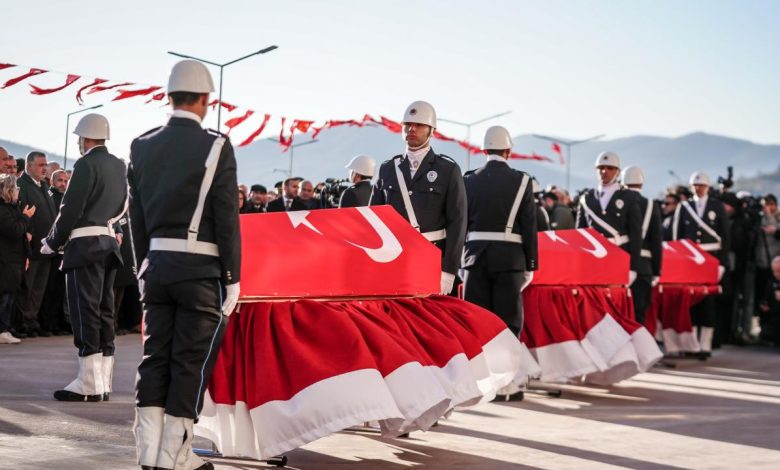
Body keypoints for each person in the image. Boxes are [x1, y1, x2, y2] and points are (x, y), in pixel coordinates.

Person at [128, 59, 240, 470]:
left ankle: (149, 454)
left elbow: (134, 217)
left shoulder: (141, 145)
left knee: (155, 356)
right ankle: (176, 456)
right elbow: (227, 218)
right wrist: (233, 277)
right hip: (200, 271)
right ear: (206, 101)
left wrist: (143, 265)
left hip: (155, 268)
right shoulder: (217, 145)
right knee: (189, 361)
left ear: (168, 96)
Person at [41, 113, 127, 402]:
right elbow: (122, 206)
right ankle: (102, 382)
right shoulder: (118, 165)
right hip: (108, 242)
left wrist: (53, 242)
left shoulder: (86, 163)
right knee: (104, 312)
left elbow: (70, 208)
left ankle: (88, 384)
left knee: (85, 311)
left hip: (84, 244)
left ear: (85, 138)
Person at [370, 100, 466, 295]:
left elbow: (458, 223)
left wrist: (448, 271)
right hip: (393, 259)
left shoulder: (448, 169)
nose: (411, 129)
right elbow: (374, 218)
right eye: (407, 125)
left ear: (432, 131)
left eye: (419, 125)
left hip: (432, 259)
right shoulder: (388, 168)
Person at [462, 126, 537, 334]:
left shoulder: (468, 180)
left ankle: (480, 365)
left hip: (474, 258)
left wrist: (461, 259)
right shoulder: (522, 181)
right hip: (510, 260)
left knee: (476, 322)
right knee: (508, 324)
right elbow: (529, 225)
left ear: (484, 151)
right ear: (508, 152)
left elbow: (461, 223)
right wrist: (531, 264)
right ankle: (508, 366)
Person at [672, 171, 730, 357]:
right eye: (695, 185)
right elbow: (677, 236)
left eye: (702, 185)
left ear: (708, 187)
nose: (698, 188)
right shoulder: (684, 207)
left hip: (710, 258)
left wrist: (722, 263)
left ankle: (705, 344)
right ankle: (692, 344)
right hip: (690, 260)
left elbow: (725, 237)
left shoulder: (717, 206)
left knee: (708, 301)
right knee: (690, 302)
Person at [575, 152, 642, 287]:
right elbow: (580, 235)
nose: (604, 172)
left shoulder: (628, 197)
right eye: (601, 168)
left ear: (617, 172)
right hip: (593, 259)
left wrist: (633, 268)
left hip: (619, 256)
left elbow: (636, 235)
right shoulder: (587, 198)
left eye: (610, 168)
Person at [15, 151, 57, 337]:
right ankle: (22, 322)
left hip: (45, 247)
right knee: (28, 286)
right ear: (29, 166)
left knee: (39, 287)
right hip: (31, 247)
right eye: (40, 165)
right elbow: (22, 213)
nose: (44, 168)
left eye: (45, 165)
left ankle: (32, 321)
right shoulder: (21, 185)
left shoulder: (44, 185)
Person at [621, 166, 663, 324]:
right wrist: (657, 269)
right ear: (642, 184)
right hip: (644, 266)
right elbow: (656, 240)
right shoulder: (651, 205)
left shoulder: (618, 202)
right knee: (639, 315)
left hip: (620, 263)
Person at [0, 174, 35, 344]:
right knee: (5, 296)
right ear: (9, 190)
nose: (18, 191)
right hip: (6, 260)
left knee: (11, 295)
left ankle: (7, 327)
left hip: (15, 259)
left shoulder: (12, 208)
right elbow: (14, 231)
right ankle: (2, 329)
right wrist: (26, 217)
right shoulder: (2, 209)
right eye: (16, 188)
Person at [40, 168, 71, 336]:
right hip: (50, 250)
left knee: (59, 290)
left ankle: (57, 323)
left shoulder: (67, 198)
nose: (63, 184)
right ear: (52, 182)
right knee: (49, 289)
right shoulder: (50, 197)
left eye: (66, 181)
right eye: (60, 180)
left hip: (64, 251)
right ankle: (46, 323)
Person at [758, 255, 780, 344]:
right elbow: (766, 300)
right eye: (774, 272)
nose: (776, 274)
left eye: (779, 271)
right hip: (774, 317)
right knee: (766, 334)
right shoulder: (771, 282)